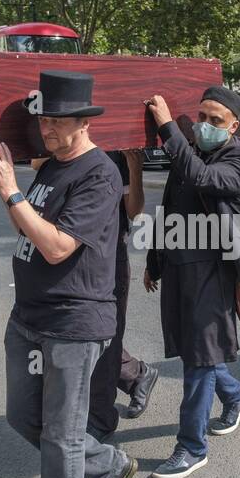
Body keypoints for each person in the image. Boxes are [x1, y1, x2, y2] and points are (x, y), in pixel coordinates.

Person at [0, 70, 136, 478]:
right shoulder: (49, 169)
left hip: (74, 321)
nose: (44, 127)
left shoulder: (100, 173)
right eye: (40, 118)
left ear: (82, 121)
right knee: (23, 417)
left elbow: (58, 246)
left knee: (63, 437)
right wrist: (10, 195)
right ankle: (110, 466)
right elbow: (25, 223)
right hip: (29, 317)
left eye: (54, 119)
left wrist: (10, 192)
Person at [143, 86, 240, 478]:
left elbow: (203, 178)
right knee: (198, 350)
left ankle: (191, 447)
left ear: (234, 125)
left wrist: (167, 127)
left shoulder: (239, 157)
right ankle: (236, 394)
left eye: (216, 121)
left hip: (212, 267)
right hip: (178, 262)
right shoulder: (188, 150)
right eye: (202, 117)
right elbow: (170, 208)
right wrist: (153, 261)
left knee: (201, 355)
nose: (205, 126)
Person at [89, 147, 160, 432]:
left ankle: (100, 420)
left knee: (105, 335)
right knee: (87, 335)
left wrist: (135, 166)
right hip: (68, 253)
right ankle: (136, 375)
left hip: (108, 256)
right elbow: (35, 162)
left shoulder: (117, 154)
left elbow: (134, 210)